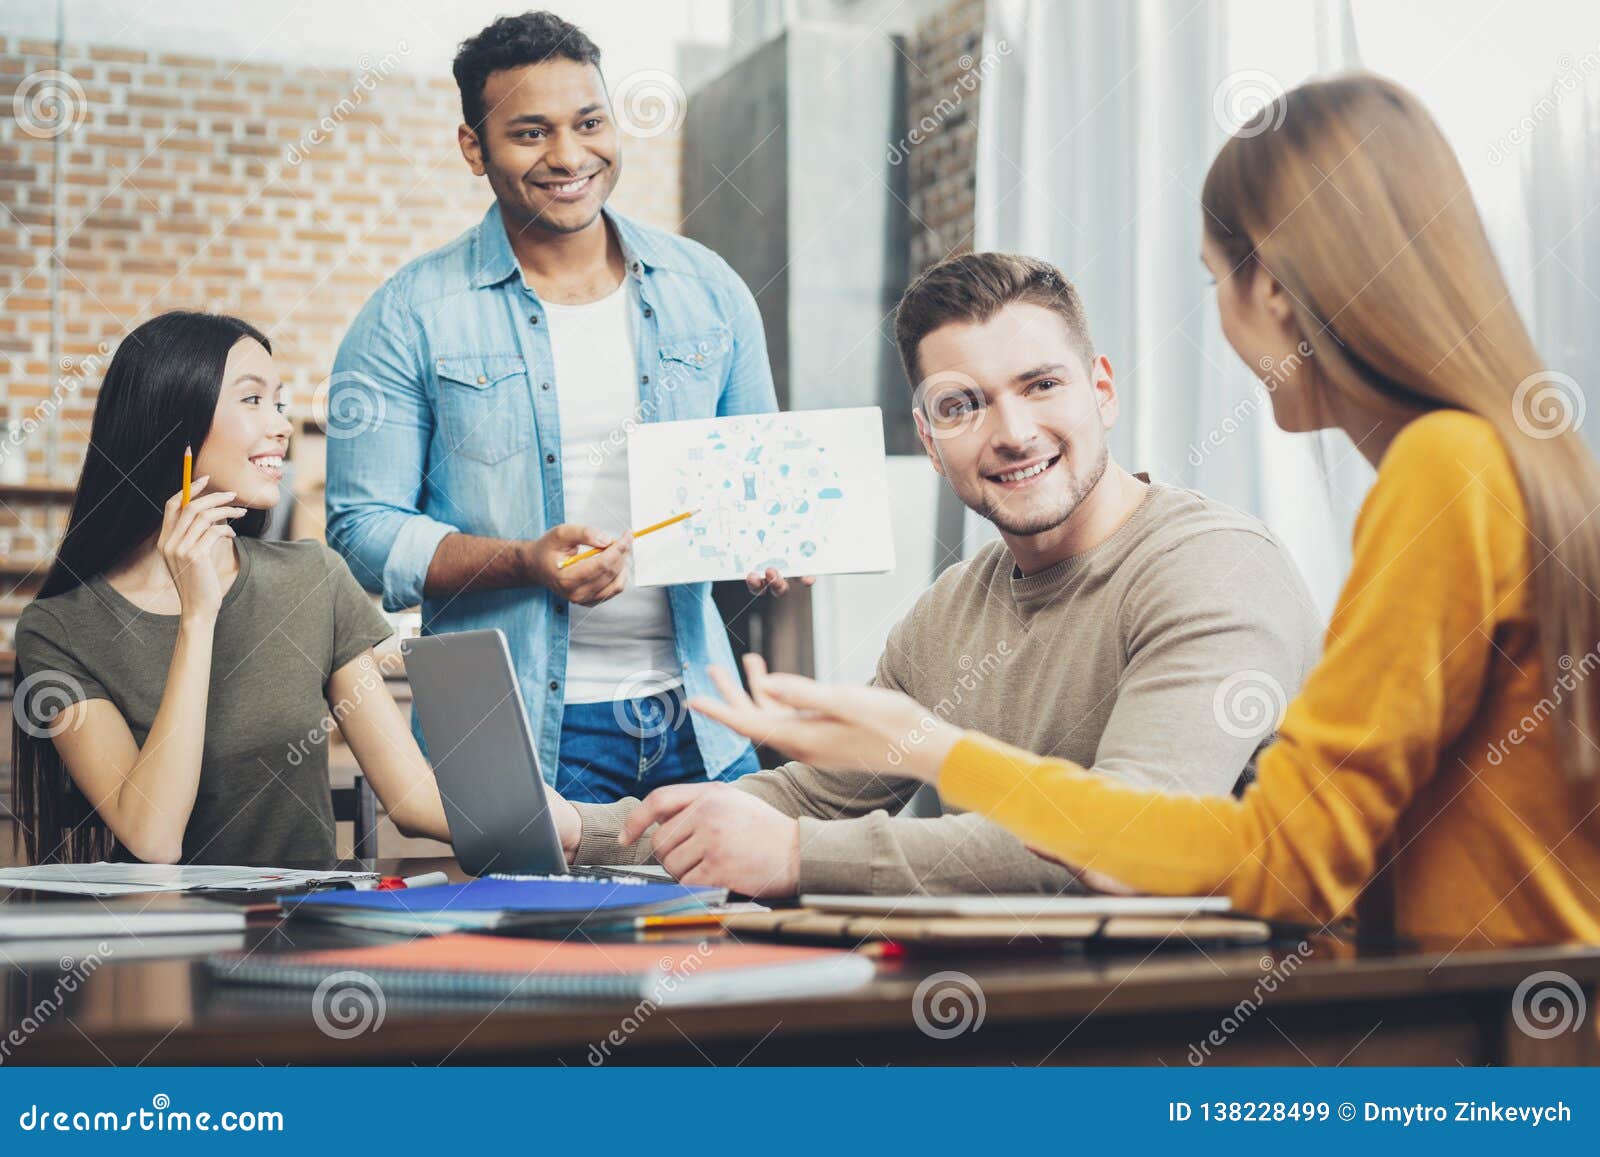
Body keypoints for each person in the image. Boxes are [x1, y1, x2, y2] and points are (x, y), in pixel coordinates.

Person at [686, 74, 1600, 947]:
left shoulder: (1444, 470)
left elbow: (1283, 859)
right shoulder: (1498, 458)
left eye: (1216, 280)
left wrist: (932, 750)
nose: (1009, 431)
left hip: (1507, 1049)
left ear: (1274, 289)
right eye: (965, 403)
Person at [544, 251, 1323, 897]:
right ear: (927, 435)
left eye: (1042, 384)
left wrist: (793, 856)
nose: (1014, 433)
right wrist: (587, 829)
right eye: (963, 404)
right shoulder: (948, 611)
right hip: (1020, 1006)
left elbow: (1129, 836)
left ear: (1103, 391)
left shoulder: (1217, 569)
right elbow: (816, 795)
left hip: (1210, 1020)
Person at [326, 11, 803, 806]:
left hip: (704, 718)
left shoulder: (708, 290)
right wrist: (525, 561)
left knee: (727, 928)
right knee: (526, 933)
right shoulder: (409, 314)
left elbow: (757, 470)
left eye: (589, 122)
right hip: (511, 730)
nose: (570, 156)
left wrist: (771, 533)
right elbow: (362, 533)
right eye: (530, 133)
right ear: (474, 148)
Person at [9, 311, 451, 866]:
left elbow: (416, 800)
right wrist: (198, 616)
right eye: (251, 400)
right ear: (174, 427)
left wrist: (577, 824)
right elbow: (154, 838)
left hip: (302, 938)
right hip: (163, 943)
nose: (283, 426)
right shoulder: (60, 630)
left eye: (279, 402)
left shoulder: (314, 578)